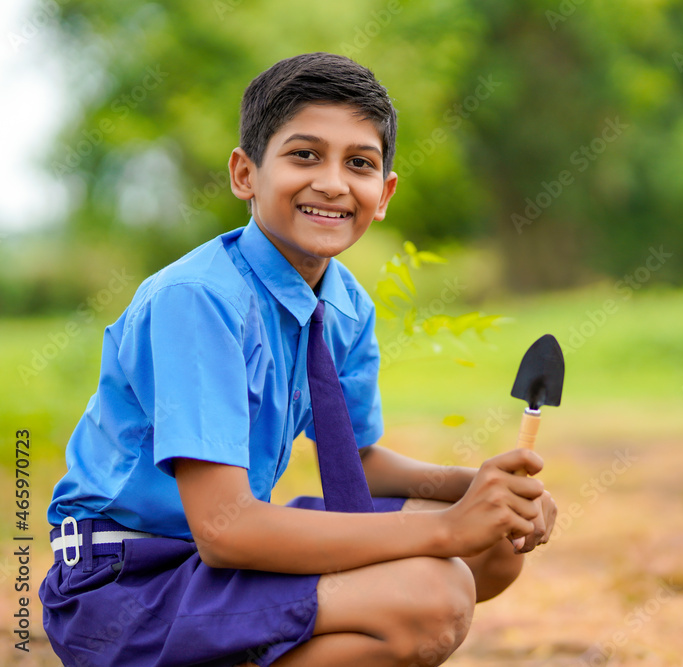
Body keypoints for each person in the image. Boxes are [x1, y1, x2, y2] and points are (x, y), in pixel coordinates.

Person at [40, 52, 558, 667]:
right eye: (304, 155)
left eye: (359, 164)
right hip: (128, 580)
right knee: (432, 593)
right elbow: (226, 528)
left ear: (384, 192)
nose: (334, 183)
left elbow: (356, 465)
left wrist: (479, 491)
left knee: (494, 546)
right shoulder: (198, 300)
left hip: (213, 564)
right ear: (244, 174)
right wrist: (447, 529)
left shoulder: (342, 305)